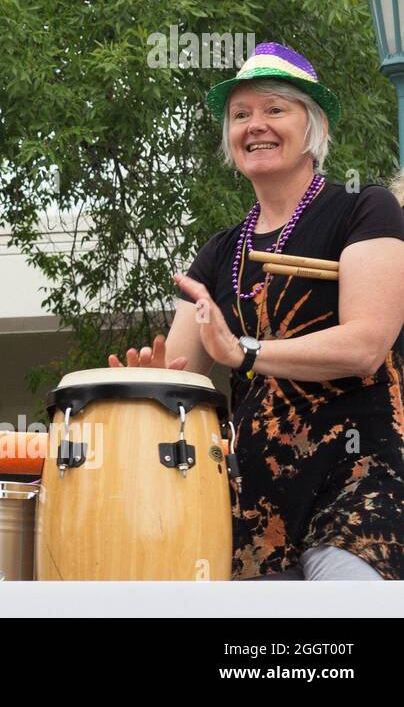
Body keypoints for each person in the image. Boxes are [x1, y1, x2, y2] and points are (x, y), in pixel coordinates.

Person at [111, 42, 404, 580]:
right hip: (254, 501)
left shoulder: (365, 208)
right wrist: (147, 386)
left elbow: (366, 345)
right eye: (240, 114)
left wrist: (244, 352)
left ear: (312, 126)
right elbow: (184, 377)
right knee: (261, 663)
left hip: (358, 484)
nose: (255, 125)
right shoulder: (219, 252)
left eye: (274, 109)